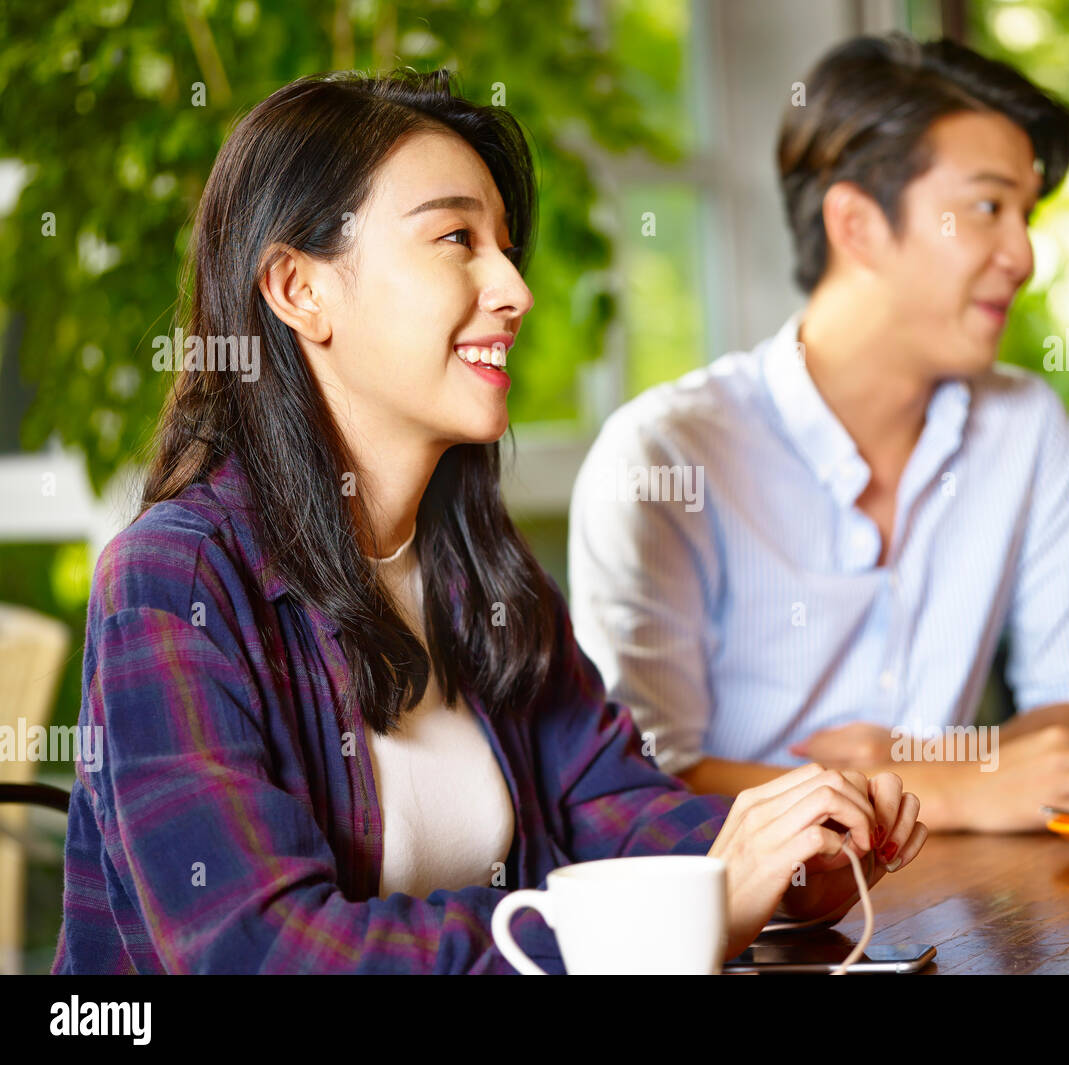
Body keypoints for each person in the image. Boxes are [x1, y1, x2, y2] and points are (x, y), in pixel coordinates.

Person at [53, 69, 925, 974]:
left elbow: (617, 812)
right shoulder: (175, 580)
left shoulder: (480, 571)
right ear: (300, 289)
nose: (514, 288)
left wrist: (792, 860)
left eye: (505, 247)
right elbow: (259, 949)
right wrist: (664, 923)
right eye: (456, 237)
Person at [567, 33, 1069, 834]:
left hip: (963, 906)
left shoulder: (1024, 423)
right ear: (857, 224)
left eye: (1027, 213)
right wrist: (939, 788)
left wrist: (928, 763)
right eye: (987, 207)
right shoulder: (666, 454)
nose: (1024, 254)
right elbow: (641, 776)